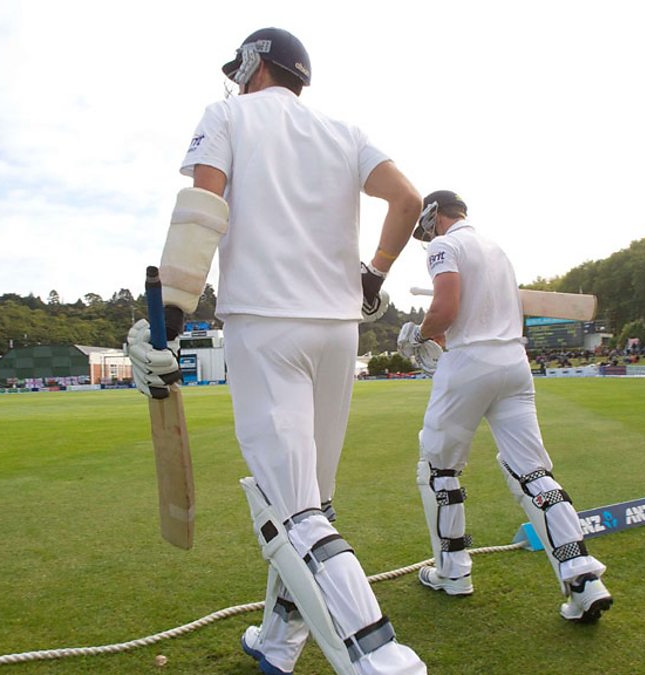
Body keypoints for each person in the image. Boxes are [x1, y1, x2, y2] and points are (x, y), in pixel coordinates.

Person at [126, 28, 425, 675]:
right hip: (337, 333)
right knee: (310, 499)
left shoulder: (228, 115)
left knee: (296, 511)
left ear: (257, 65)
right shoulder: (345, 133)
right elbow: (407, 200)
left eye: (241, 68)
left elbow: (202, 208)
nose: (235, 79)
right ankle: (280, 638)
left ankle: (385, 661)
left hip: (266, 325)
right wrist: (373, 275)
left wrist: (168, 321)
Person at [396, 190, 612, 623]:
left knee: (439, 470)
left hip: (469, 362)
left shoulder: (444, 246)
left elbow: (446, 307)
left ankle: (452, 571)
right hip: (515, 365)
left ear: (436, 215)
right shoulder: (497, 249)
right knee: (532, 471)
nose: (426, 237)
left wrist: (420, 335)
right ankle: (583, 579)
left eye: (426, 227)